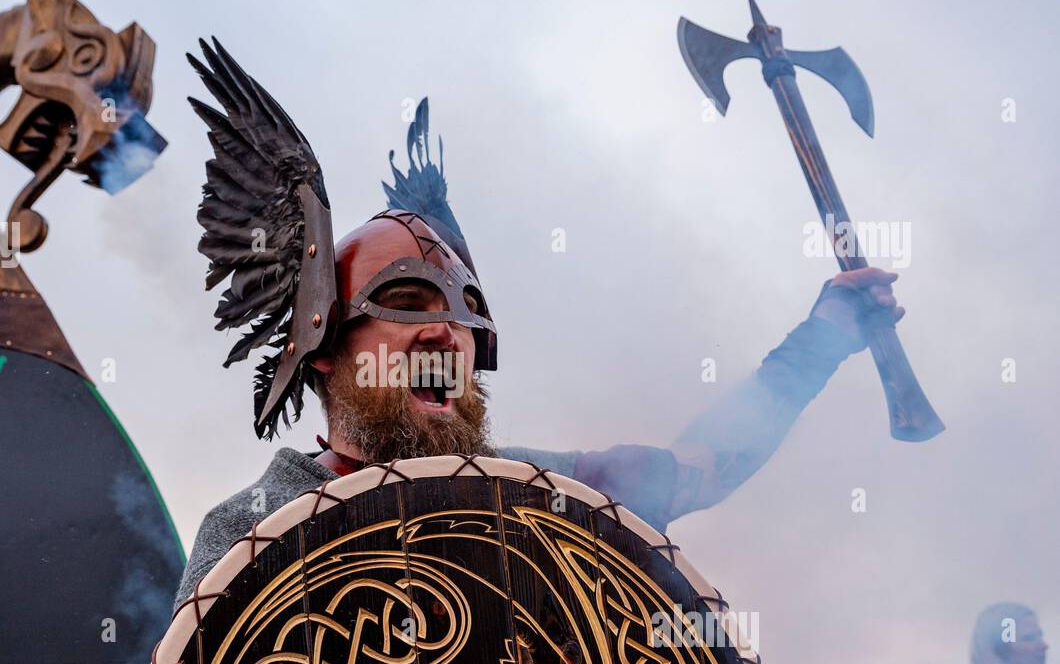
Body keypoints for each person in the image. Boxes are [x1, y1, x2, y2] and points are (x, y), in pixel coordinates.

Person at [176, 39, 904, 604]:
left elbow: (695, 470)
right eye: (407, 303)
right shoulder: (252, 528)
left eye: (465, 313)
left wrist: (821, 341)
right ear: (326, 346)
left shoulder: (530, 493)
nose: (445, 334)